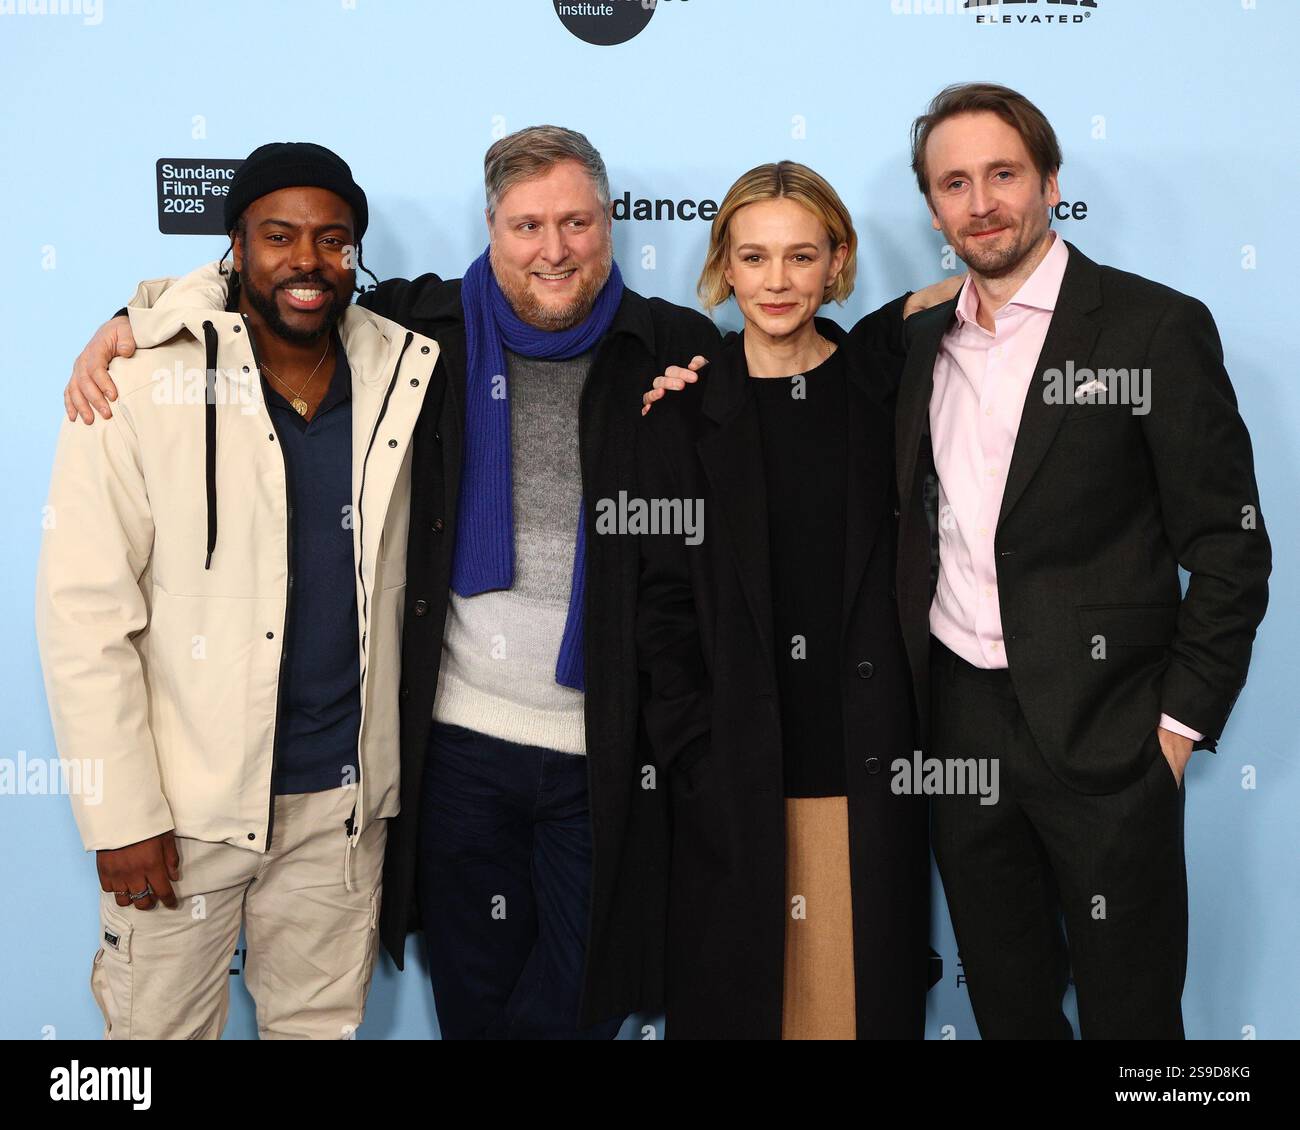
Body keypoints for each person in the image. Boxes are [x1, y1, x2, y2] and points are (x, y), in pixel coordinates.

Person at [62, 126, 721, 1039]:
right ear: (491, 227)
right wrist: (135, 321)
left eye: (576, 221)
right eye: (528, 224)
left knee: (575, 999)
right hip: (449, 753)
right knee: (467, 1003)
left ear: (610, 224)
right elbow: (279, 282)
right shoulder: (429, 333)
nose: (554, 247)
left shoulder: (671, 347)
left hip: (585, 753)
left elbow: (790, 385)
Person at [36, 143, 438, 1038]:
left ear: (356, 257)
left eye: (333, 240)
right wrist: (121, 814)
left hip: (339, 810)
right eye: (279, 235)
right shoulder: (139, 382)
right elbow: (84, 618)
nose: (307, 261)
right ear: (235, 247)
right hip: (183, 815)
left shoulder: (401, 374)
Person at [898, 83, 1270, 1039]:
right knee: (1009, 1004)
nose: (980, 202)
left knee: (1133, 1015)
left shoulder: (1152, 327)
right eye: (954, 183)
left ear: (1050, 182)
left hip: (1113, 729)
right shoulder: (914, 342)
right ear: (933, 207)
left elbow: (1228, 542)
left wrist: (1177, 727)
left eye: (1002, 174)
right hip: (961, 728)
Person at [638, 161, 951, 1038]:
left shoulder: (889, 395)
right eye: (755, 257)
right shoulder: (681, 416)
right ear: (724, 267)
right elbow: (659, 609)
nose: (777, 282)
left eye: (801, 256)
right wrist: (696, 750)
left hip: (868, 771)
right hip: (737, 780)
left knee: (859, 1014)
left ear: (837, 262)